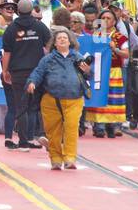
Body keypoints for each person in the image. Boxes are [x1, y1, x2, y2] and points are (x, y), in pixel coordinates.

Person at [26, 28, 91, 170]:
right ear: (54, 43)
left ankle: (70, 158)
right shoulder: (47, 59)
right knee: (53, 132)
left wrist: (87, 71)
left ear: (70, 42)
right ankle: (55, 158)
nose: (62, 39)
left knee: (71, 128)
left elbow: (88, 76)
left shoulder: (78, 57)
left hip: (74, 99)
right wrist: (32, 82)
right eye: (59, 38)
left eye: (65, 38)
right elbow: (37, 73)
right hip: (51, 100)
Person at [0, 0, 49, 151]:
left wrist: (5, 71)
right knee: (33, 106)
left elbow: (7, 53)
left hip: (18, 72)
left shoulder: (11, 29)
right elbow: (49, 45)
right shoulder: (40, 27)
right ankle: (31, 138)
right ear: (32, 10)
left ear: (17, 11)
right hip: (36, 71)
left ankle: (23, 142)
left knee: (21, 106)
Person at [92, 8, 129, 137]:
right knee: (99, 97)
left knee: (113, 98)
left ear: (114, 22)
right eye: (103, 18)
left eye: (108, 18)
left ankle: (113, 125)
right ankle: (99, 126)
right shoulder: (96, 35)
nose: (105, 21)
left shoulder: (120, 37)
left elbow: (126, 54)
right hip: (99, 70)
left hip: (114, 71)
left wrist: (116, 49)